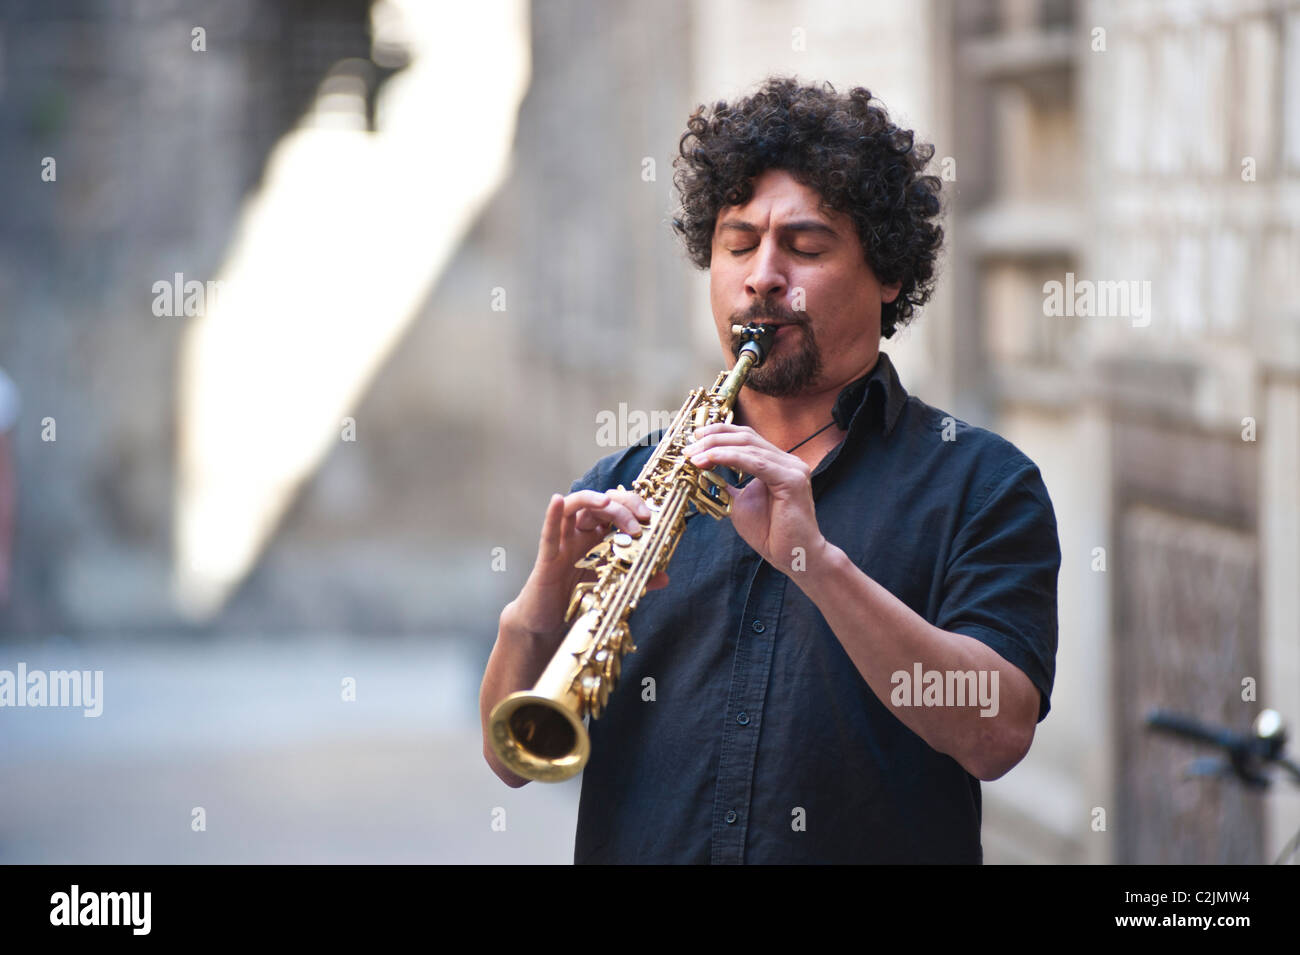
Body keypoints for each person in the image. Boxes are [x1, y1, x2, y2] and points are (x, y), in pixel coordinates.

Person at [479, 76, 1060, 863]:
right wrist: (542, 600)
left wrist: (815, 564)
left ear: (888, 274)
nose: (762, 276)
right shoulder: (629, 475)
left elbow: (996, 731)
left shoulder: (982, 484)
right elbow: (507, 757)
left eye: (806, 246)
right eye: (738, 243)